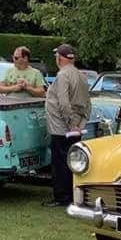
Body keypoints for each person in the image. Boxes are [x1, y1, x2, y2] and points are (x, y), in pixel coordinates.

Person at [43, 44, 91, 207]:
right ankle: (72, 194)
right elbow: (87, 103)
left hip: (61, 127)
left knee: (60, 162)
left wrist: (71, 124)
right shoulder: (81, 75)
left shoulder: (63, 75)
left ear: (60, 58)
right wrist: (80, 123)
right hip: (76, 125)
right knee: (73, 161)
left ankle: (62, 197)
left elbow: (63, 103)